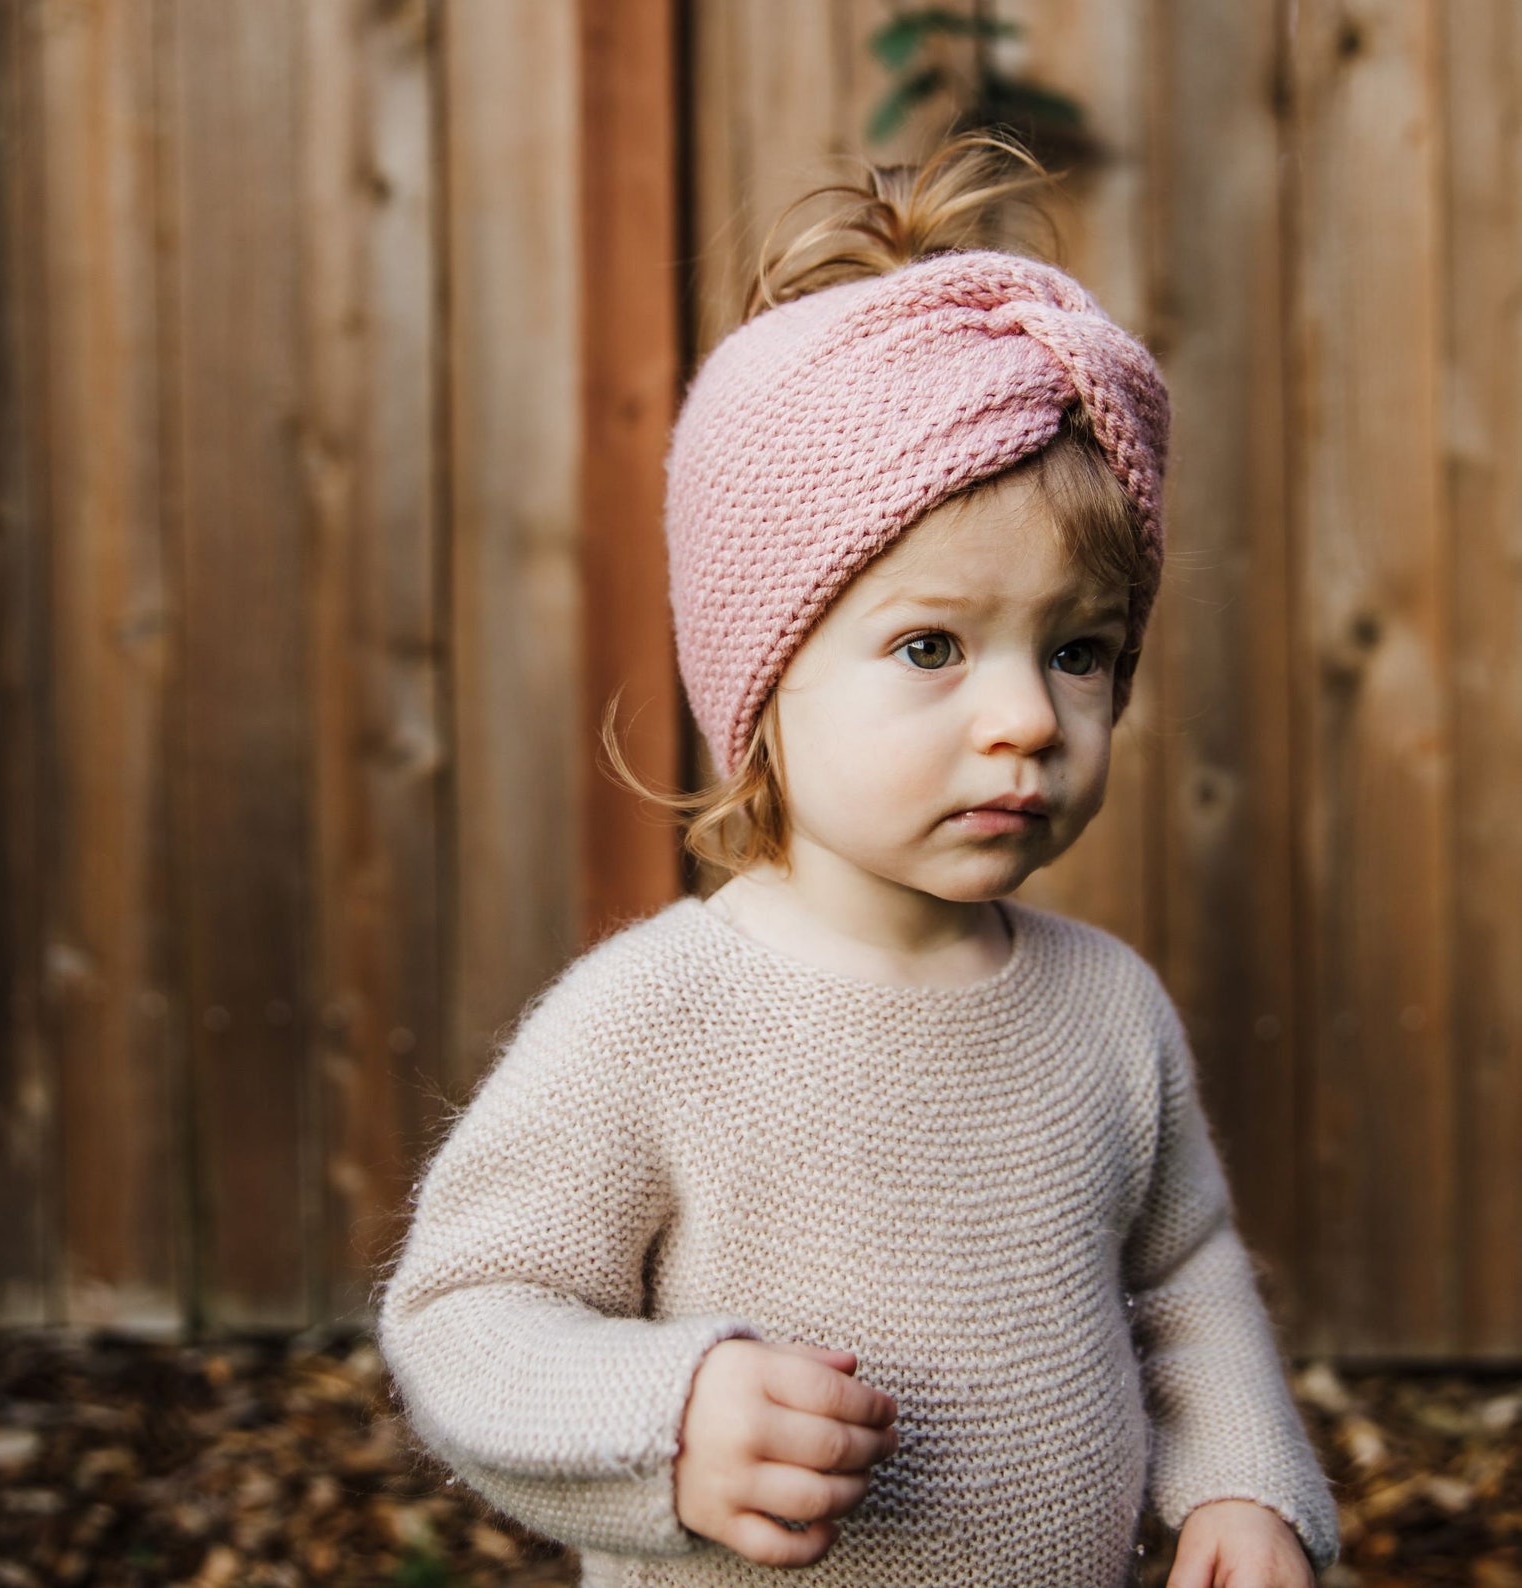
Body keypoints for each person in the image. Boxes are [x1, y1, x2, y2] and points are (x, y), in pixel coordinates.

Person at [379, 133, 1341, 1587]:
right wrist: (668, 1416)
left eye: (1080, 652)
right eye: (932, 647)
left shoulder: (1107, 1009)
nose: (1027, 717)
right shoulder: (660, 1017)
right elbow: (466, 1309)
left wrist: (1241, 1485)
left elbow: (1183, 1280)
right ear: (762, 682)